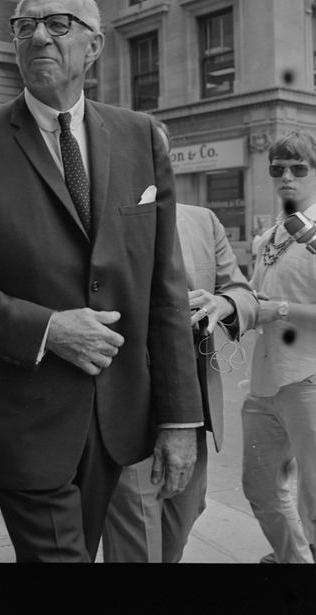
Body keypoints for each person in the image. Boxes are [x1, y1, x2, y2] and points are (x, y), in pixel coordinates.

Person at [0, 0, 204, 563]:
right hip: (28, 421)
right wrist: (48, 328)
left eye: (57, 24)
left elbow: (166, 290)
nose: (39, 36)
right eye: (25, 26)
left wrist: (180, 420)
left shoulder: (141, 136)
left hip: (120, 421)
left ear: (92, 45)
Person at [101, 121, 260, 562]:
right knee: (139, 539)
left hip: (192, 408)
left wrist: (221, 304)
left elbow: (246, 295)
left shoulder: (203, 220)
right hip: (126, 406)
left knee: (183, 518)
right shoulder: (98, 222)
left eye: (159, 153)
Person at [241, 130, 316, 564]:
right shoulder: (275, 232)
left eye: (298, 169)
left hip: (311, 378)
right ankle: (297, 564)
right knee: (259, 486)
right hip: (265, 383)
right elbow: (256, 297)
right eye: (277, 169)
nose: (286, 178)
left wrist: (282, 310)